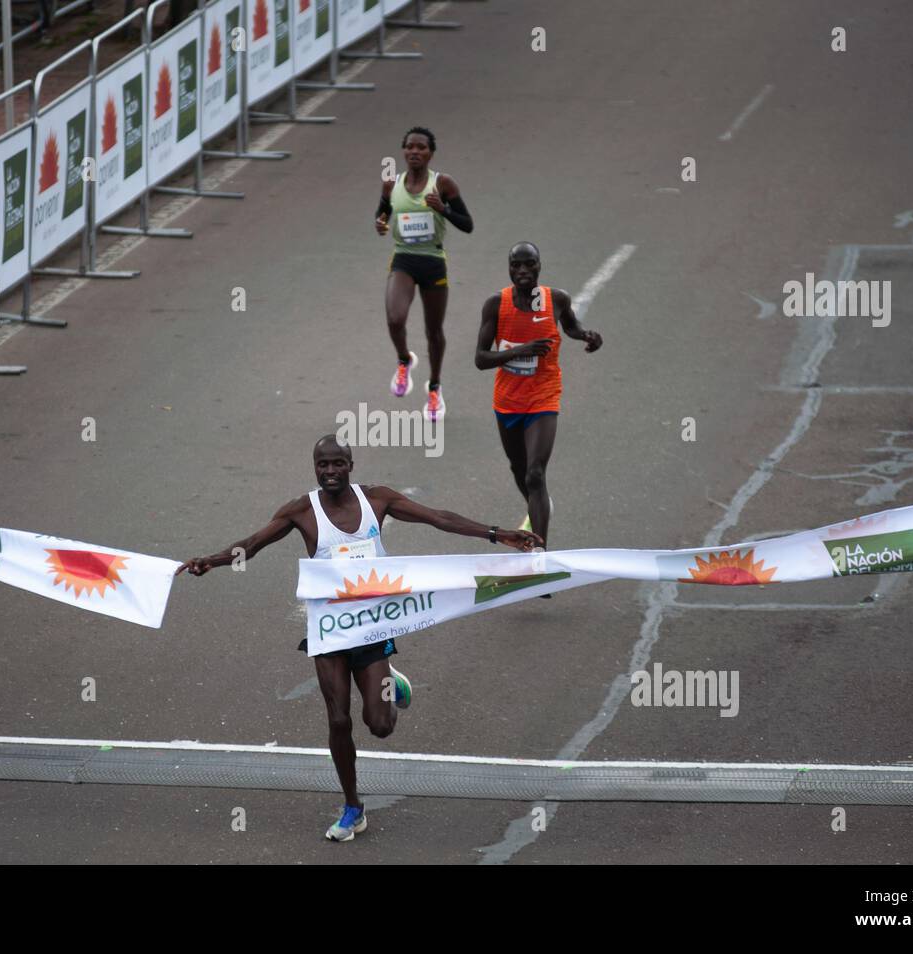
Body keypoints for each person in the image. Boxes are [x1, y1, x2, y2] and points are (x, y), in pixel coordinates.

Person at [177, 435, 540, 842]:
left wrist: (498, 534)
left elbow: (438, 517)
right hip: (329, 629)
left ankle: (393, 685)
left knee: (380, 725)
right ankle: (353, 807)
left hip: (371, 627)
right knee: (338, 718)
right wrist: (213, 560)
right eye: (322, 465)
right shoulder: (302, 510)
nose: (330, 472)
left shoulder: (377, 500)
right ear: (314, 467)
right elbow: (253, 544)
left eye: (338, 464)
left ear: (351, 464)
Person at [475, 243, 602, 568]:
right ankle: (539, 505)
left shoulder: (556, 299)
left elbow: (570, 325)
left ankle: (540, 555)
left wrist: (586, 335)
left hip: (543, 397)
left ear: (539, 266)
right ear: (508, 268)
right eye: (516, 266)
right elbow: (481, 359)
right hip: (507, 403)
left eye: (529, 265)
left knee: (534, 473)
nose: (522, 272)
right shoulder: (496, 305)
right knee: (519, 469)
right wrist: (520, 350)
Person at [375, 127, 473, 423]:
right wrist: (379, 224)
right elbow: (381, 215)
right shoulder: (391, 185)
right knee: (394, 318)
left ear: (431, 153)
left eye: (421, 148)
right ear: (403, 151)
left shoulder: (442, 183)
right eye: (410, 147)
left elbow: (468, 224)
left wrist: (443, 209)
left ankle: (434, 387)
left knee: (434, 330)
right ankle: (404, 359)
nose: (415, 152)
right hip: (404, 259)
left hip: (433, 262)